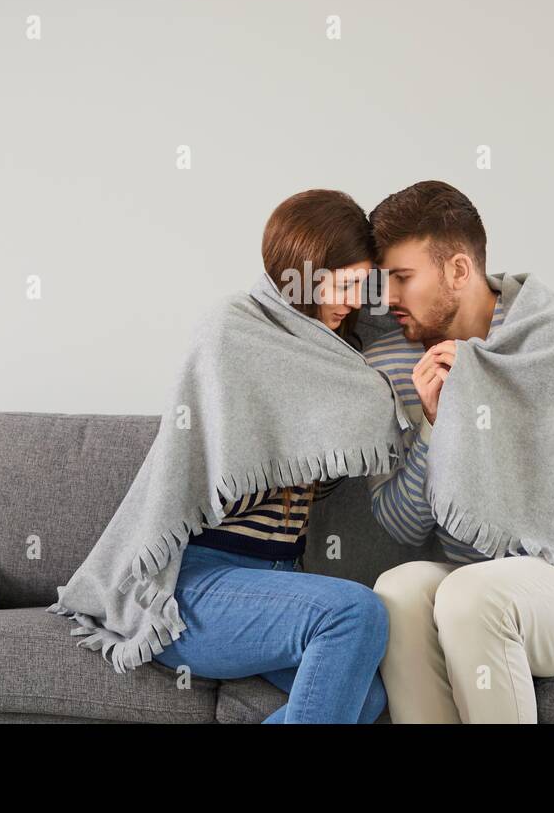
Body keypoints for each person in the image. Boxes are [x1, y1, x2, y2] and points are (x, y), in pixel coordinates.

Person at [362, 180, 554, 723]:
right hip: (474, 579)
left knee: (469, 596)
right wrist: (435, 425)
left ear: (459, 271)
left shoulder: (548, 337)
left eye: (403, 278)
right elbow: (400, 527)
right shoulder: (394, 358)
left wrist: (481, 397)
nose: (388, 297)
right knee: (395, 589)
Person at [149, 189, 391, 723]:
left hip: (278, 582)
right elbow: (219, 470)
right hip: (195, 587)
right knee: (356, 614)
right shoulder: (232, 328)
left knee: (369, 699)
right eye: (347, 283)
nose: (354, 300)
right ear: (306, 270)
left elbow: (320, 475)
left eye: (363, 285)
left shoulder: (333, 351)